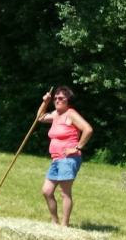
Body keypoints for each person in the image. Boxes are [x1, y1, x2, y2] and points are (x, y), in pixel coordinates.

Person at [37, 86, 93, 226]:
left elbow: (88, 129)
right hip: (56, 159)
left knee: (64, 193)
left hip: (68, 160)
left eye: (61, 98)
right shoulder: (56, 115)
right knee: (46, 191)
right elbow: (40, 118)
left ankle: (64, 225)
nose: (57, 100)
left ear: (68, 100)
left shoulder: (71, 113)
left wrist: (77, 147)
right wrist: (45, 102)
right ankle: (55, 223)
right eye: (55, 98)